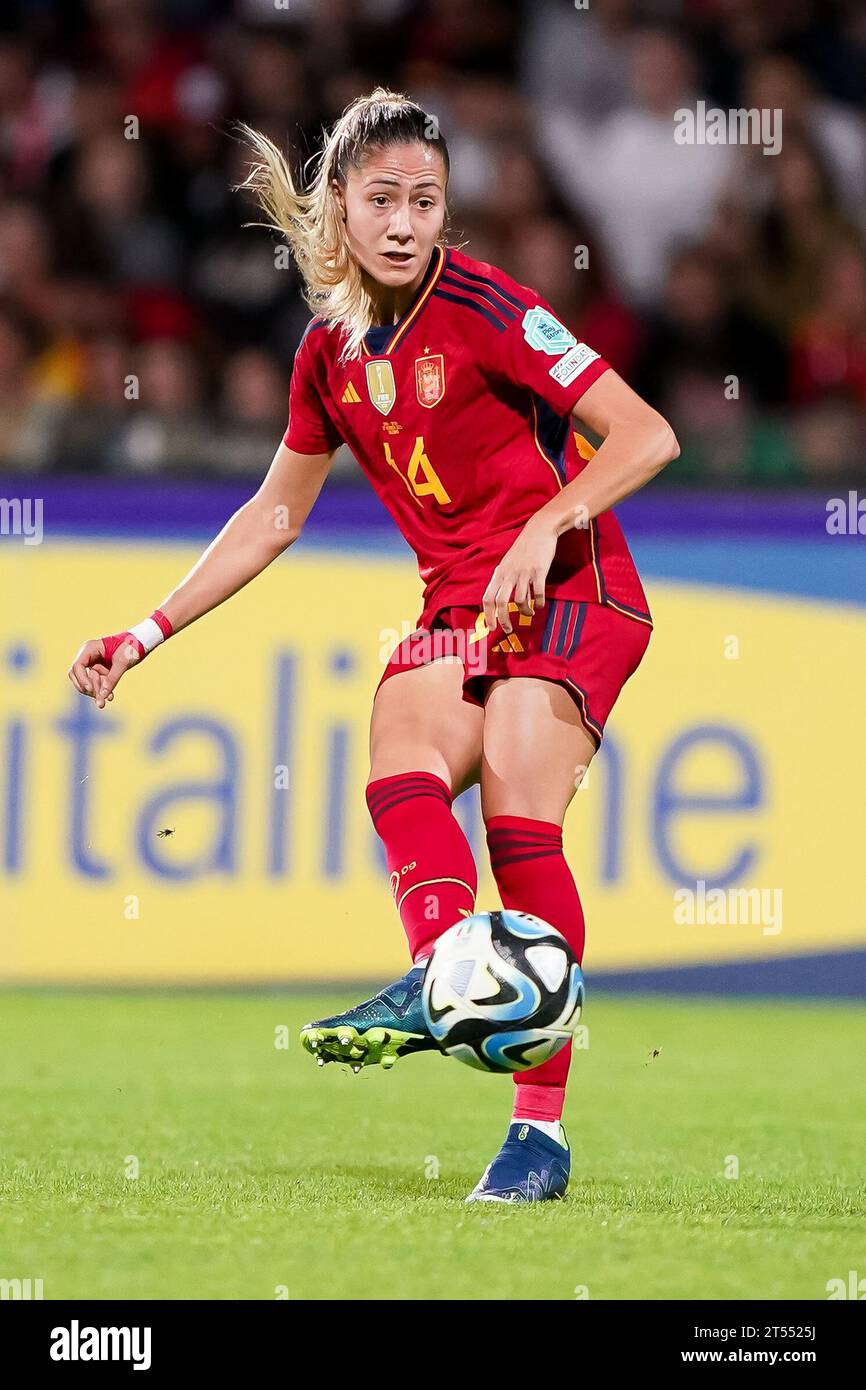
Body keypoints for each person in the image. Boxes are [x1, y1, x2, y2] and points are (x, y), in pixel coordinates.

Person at [67, 89, 679, 1204]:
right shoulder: (326, 355)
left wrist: (546, 522)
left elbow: (647, 433)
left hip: (578, 589)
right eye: (383, 199)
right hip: (460, 601)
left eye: (426, 201)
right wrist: (145, 630)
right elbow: (272, 515)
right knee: (396, 747)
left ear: (447, 212)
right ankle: (444, 971)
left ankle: (535, 1135)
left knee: (513, 808)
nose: (404, 223)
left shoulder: (490, 306)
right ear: (338, 205)